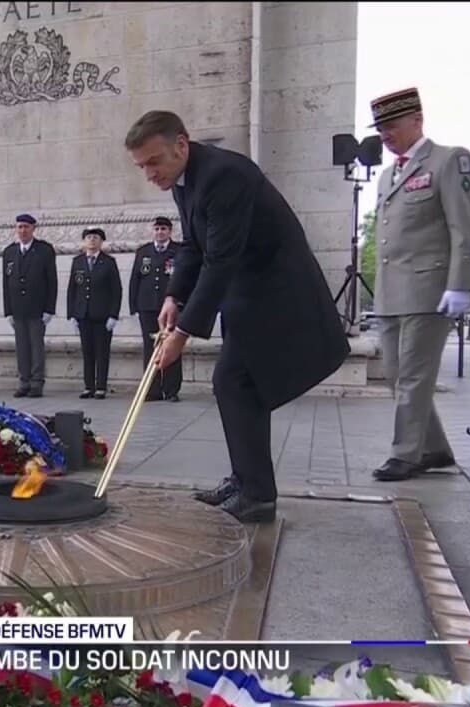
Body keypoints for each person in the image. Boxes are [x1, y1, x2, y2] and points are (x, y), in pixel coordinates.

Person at [126, 110, 351, 523]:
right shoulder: (185, 180)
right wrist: (175, 295)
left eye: (154, 161)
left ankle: (258, 493)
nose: (149, 174)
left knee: (233, 381)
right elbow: (194, 246)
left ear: (181, 144)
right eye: (141, 166)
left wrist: (184, 334)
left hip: (276, 291)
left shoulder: (223, 176)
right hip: (248, 294)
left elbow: (221, 260)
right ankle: (248, 481)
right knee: (236, 384)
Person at [367, 88, 470, 482]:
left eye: (391, 125)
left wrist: (461, 283)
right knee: (398, 375)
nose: (385, 134)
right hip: (391, 292)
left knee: (414, 376)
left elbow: (464, 225)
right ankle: (433, 449)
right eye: (380, 127)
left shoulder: (449, 161)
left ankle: (405, 455)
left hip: (429, 289)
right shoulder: (388, 175)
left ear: (417, 119)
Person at [0, 213, 57, 398]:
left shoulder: (44, 250)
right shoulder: (10, 251)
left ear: (33, 229)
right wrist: (8, 309)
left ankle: (37, 382)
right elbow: (6, 283)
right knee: (22, 347)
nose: (23, 230)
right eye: (19, 227)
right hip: (18, 308)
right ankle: (23, 381)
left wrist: (49, 308)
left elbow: (51, 281)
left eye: (26, 227)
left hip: (37, 307)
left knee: (36, 346)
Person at [129, 217, 184, 402]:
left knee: (172, 346)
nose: (160, 232)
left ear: (170, 231)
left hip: (170, 307)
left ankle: (171, 390)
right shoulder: (143, 251)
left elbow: (184, 278)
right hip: (147, 306)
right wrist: (134, 305)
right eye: (157, 228)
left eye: (164, 229)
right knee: (149, 348)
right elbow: (135, 280)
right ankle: (151, 390)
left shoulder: (178, 251)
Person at [67, 227, 123, 399]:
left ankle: (101, 386)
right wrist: (72, 314)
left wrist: (113, 315)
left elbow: (116, 290)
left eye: (95, 238)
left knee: (102, 352)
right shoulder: (78, 261)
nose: (91, 240)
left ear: (101, 241)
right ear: (84, 241)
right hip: (83, 314)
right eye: (89, 237)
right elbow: (72, 289)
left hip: (102, 315)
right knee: (87, 351)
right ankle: (88, 386)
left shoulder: (108, 262)